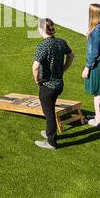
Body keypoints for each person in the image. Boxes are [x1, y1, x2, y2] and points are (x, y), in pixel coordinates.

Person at [32, 18, 73, 150]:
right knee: (51, 110)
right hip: (59, 84)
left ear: (41, 30)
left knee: (49, 113)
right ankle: (51, 132)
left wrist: (37, 80)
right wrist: (64, 69)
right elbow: (71, 55)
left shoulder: (43, 46)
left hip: (47, 86)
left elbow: (35, 67)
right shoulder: (61, 42)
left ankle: (51, 142)